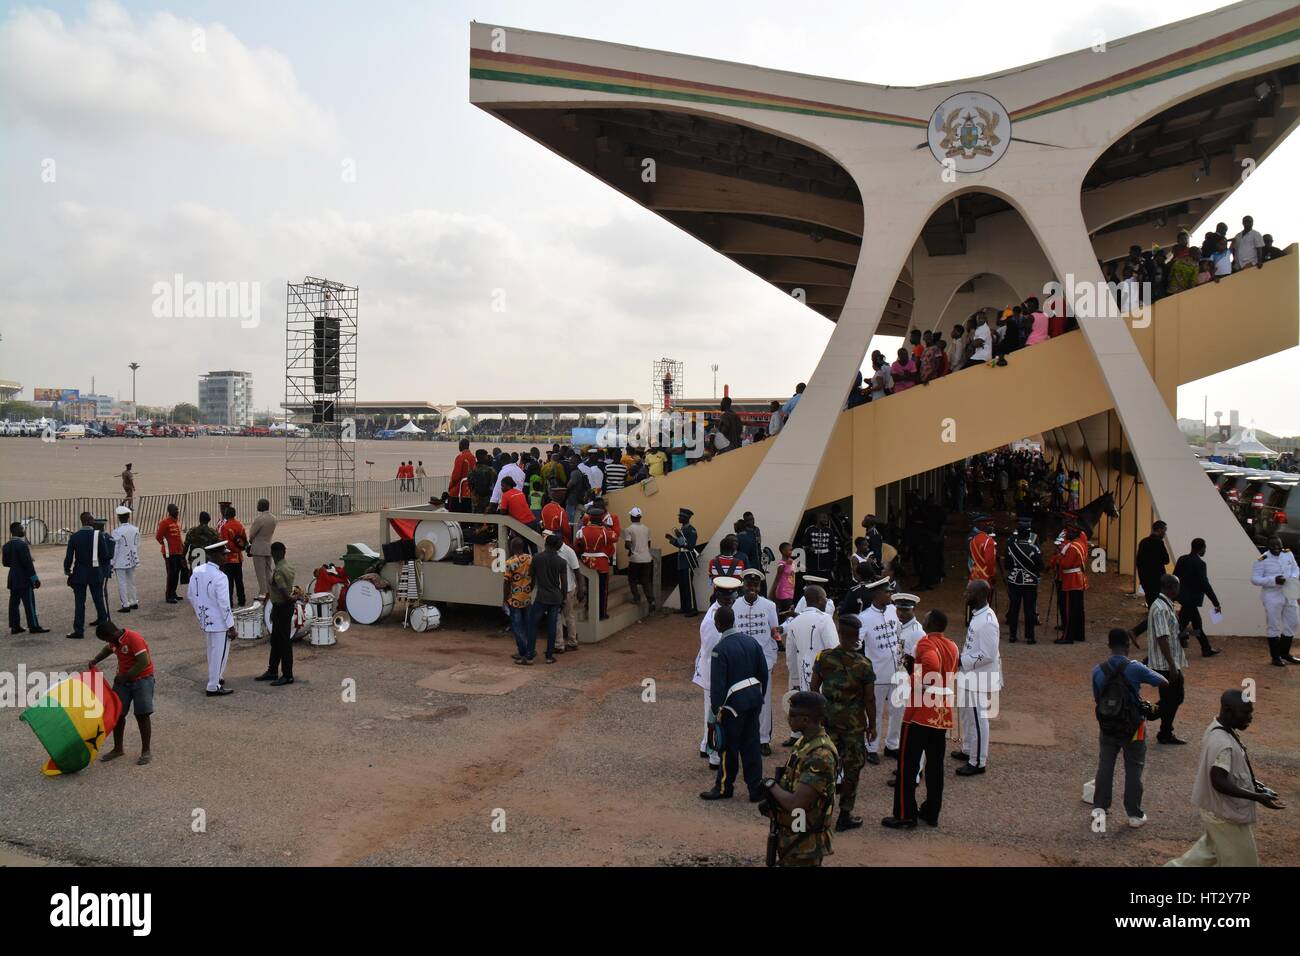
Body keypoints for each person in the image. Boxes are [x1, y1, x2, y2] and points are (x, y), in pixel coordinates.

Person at [1166, 690, 1285, 867]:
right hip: (1225, 815)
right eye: (1245, 712)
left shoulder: (1218, 728)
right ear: (1228, 711)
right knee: (1245, 862)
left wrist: (1255, 786)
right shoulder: (1223, 743)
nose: (1250, 717)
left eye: (1250, 712)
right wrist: (1257, 797)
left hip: (1214, 810)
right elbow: (1219, 782)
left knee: (1205, 855)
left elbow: (1230, 772)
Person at [884, 609, 959, 829]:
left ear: (931, 623)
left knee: (908, 765)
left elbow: (931, 668)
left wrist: (912, 674)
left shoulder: (926, 643)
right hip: (942, 713)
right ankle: (931, 812)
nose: (922, 619)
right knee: (935, 767)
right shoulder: (952, 646)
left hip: (919, 714)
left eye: (926, 617)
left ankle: (905, 814)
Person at [1091, 628, 1167, 830]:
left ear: (1109, 645)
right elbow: (1163, 682)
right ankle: (1134, 814)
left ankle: (1100, 808)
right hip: (1135, 727)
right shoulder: (1135, 668)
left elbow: (1098, 699)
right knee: (1134, 768)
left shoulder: (1098, 670)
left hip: (1108, 725)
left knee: (1105, 765)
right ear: (1128, 645)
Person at [811, 614, 875, 831]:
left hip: (828, 723)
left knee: (825, 767)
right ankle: (845, 815)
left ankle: (821, 812)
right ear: (857, 636)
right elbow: (869, 699)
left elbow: (813, 689)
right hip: (853, 726)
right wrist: (872, 725)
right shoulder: (864, 664)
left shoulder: (824, 658)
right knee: (852, 769)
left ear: (839, 633)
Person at [700, 604, 769, 803]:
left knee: (727, 747)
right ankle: (755, 788)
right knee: (751, 745)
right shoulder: (751, 642)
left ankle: (724, 786)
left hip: (733, 707)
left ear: (719, 624)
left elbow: (718, 686)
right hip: (753, 701)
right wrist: (758, 697)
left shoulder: (719, 650)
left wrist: (715, 714)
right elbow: (763, 673)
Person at [760, 691, 838, 865]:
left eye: (793, 714)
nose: (789, 718)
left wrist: (771, 786)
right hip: (794, 834)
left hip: (805, 843)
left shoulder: (820, 755)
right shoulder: (805, 743)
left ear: (806, 719)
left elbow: (796, 803)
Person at [88, 620, 153, 765]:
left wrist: (125, 676)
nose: (107, 642)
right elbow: (108, 649)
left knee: (142, 715)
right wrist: (96, 660)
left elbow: (144, 661)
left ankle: (146, 751)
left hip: (142, 679)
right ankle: (118, 748)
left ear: (112, 634)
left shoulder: (133, 638)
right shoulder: (115, 640)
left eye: (106, 638)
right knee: (118, 714)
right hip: (123, 681)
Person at [693, 577, 741, 768]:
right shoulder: (715, 619)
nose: (733, 600)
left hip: (716, 673)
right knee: (717, 713)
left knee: (710, 711)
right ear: (725, 599)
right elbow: (717, 653)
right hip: (717, 674)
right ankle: (715, 756)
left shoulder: (720, 611)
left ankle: (706, 745)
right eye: (730, 598)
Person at [733, 569, 781, 755]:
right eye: (749, 584)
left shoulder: (769, 606)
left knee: (764, 700)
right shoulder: (735, 605)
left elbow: (774, 631)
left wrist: (774, 654)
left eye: (756, 585)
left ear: (760, 587)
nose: (752, 588)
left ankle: (763, 739)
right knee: (741, 699)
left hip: (763, 660)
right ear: (743, 585)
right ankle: (743, 737)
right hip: (741, 660)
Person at [956, 579, 1001, 776]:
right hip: (970, 675)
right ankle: (968, 749)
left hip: (978, 678)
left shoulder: (988, 621)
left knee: (978, 718)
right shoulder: (979, 615)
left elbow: (988, 654)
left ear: (980, 595)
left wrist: (962, 661)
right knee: (966, 715)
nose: (965, 595)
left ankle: (978, 762)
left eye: (969, 592)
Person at [858, 578, 902, 765]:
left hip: (898, 672)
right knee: (874, 712)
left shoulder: (894, 611)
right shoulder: (865, 617)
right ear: (877, 595)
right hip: (876, 673)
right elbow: (857, 644)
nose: (890, 595)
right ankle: (871, 747)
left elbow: (900, 634)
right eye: (887, 592)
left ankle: (893, 745)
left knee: (898, 711)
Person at [187, 543, 236, 696]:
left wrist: (200, 614)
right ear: (213, 556)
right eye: (223, 554)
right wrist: (231, 625)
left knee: (212, 652)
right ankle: (213, 685)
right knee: (219, 653)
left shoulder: (197, 570)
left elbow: (191, 595)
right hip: (219, 622)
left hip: (205, 619)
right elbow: (224, 604)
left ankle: (216, 678)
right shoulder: (220, 577)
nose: (226, 556)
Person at [1147, 574, 1187, 745]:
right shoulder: (1161, 608)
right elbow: (1162, 638)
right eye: (1177, 587)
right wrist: (1171, 665)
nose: (1179, 590)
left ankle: (1165, 732)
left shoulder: (1164, 605)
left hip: (1166, 661)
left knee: (1170, 697)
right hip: (1164, 663)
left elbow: (1168, 634)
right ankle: (1146, 713)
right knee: (1175, 696)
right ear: (1171, 588)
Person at [1250, 536, 1299, 666]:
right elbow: (1255, 579)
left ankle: (1284, 653)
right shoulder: (1262, 560)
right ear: (1268, 547)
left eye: (1279, 546)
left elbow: (1295, 568)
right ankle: (1275, 657)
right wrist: (1273, 580)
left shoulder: (1288, 554)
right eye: (1274, 547)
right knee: (1274, 625)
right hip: (1272, 595)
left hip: (1289, 593)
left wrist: (1292, 578)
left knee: (1293, 622)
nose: (1277, 549)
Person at [256, 542, 300, 686]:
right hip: (282, 607)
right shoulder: (288, 566)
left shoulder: (279, 571)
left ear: (274, 553)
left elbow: (284, 593)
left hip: (282, 607)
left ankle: (287, 675)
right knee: (276, 640)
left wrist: (292, 599)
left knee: (283, 642)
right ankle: (273, 670)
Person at [63, 512, 111, 640]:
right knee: (98, 599)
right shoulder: (98, 535)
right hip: (95, 573)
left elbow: (69, 558)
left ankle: (78, 630)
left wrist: (67, 571)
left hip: (80, 574)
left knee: (79, 603)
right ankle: (104, 624)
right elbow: (105, 555)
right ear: (89, 521)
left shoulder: (75, 537)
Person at [1172, 538, 1221, 658]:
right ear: (1201, 548)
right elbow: (1205, 584)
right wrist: (1215, 602)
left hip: (1182, 597)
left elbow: (1175, 577)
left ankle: (1206, 648)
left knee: (1196, 624)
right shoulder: (1200, 564)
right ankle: (1170, 646)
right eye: (1205, 548)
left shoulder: (1182, 559)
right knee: (1182, 625)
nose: (1205, 550)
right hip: (1192, 599)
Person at [529, 532, 568, 663]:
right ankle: (549, 656)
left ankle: (529, 655)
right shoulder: (561, 562)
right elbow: (564, 583)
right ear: (557, 546)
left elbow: (532, 578)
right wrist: (563, 599)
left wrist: (529, 591)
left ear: (545, 544)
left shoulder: (536, 558)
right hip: (556, 597)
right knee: (551, 626)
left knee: (533, 624)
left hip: (541, 596)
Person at [5, 522, 48, 634]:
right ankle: (33, 626)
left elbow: (5, 563)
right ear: (16, 531)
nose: (23, 530)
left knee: (14, 604)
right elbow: (28, 565)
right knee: (29, 604)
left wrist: (15, 564)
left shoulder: (6, 545)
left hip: (13, 578)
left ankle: (15, 626)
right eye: (21, 529)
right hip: (24, 579)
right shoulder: (22, 545)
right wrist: (35, 579)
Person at [1004, 517, 1042, 644]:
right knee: (1029, 609)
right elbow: (1040, 566)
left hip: (1014, 581)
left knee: (1014, 608)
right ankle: (1030, 637)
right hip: (1030, 581)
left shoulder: (1010, 547)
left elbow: (1007, 566)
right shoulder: (1034, 549)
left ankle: (1012, 636)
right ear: (1028, 534)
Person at [575, 504, 615, 620]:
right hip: (601, 563)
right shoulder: (604, 531)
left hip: (586, 562)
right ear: (601, 517)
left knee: (588, 586)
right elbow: (614, 538)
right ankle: (601, 613)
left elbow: (577, 547)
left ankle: (589, 607)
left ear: (590, 517)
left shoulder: (582, 531)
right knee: (603, 589)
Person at [1131, 520, 1170, 637]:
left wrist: (1142, 580)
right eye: (1164, 531)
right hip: (1158, 582)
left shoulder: (1143, 542)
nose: (1165, 533)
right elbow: (1166, 560)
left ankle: (1147, 633)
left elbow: (1139, 562)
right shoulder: (1159, 543)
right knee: (1159, 610)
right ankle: (1142, 632)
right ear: (1159, 530)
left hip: (1146, 581)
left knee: (1153, 608)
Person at [1053, 518, 1089, 644]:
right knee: (1078, 609)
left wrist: (1058, 558)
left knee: (1069, 610)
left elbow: (1065, 564)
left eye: (1068, 532)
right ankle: (1079, 634)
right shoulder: (1080, 544)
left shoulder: (1073, 547)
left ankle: (1068, 636)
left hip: (1070, 580)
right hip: (1078, 578)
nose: (1066, 534)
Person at [502, 537, 536, 664]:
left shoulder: (510, 562)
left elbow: (506, 583)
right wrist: (530, 589)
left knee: (517, 627)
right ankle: (530, 649)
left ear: (512, 547)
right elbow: (534, 577)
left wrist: (504, 599)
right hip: (527, 597)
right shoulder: (530, 559)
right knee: (528, 625)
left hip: (515, 599)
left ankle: (524, 653)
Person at [666, 508, 699, 617]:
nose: (679, 518)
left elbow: (690, 545)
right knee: (682, 585)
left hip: (688, 559)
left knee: (688, 585)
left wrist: (679, 541)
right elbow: (680, 544)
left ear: (686, 518)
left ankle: (693, 608)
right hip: (682, 559)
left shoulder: (691, 530)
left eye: (681, 516)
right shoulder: (682, 529)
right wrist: (672, 540)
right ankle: (684, 607)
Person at [109, 506, 141, 613]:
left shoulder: (117, 531)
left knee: (122, 583)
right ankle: (134, 601)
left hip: (120, 561)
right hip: (132, 558)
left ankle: (125, 604)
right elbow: (137, 544)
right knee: (131, 581)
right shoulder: (135, 529)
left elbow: (115, 549)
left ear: (119, 517)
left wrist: (112, 562)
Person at [622, 507, 655, 611]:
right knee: (646, 581)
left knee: (632, 579)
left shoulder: (629, 529)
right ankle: (651, 601)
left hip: (635, 559)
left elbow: (627, 545)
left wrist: (630, 548)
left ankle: (637, 598)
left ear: (632, 517)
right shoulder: (647, 528)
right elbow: (648, 545)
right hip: (647, 558)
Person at [155, 503, 185, 604]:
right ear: (170, 512)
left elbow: (178, 536)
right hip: (169, 553)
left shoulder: (177, 522)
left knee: (177, 573)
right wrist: (166, 545)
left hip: (178, 551)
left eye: (177, 511)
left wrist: (182, 546)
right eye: (175, 511)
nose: (177, 513)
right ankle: (169, 595)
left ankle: (174, 592)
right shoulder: (164, 522)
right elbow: (158, 536)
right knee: (171, 573)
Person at [447, 438, 476, 512]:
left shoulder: (460, 457)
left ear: (461, 445)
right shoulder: (473, 457)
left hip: (458, 491)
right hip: (469, 491)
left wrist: (450, 486)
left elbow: (456, 476)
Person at [772, 542, 796, 618]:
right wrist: (773, 592)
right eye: (789, 550)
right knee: (787, 613)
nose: (791, 552)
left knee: (787, 612)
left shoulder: (792, 562)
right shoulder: (781, 565)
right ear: (783, 551)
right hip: (783, 592)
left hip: (790, 591)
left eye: (791, 550)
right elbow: (777, 579)